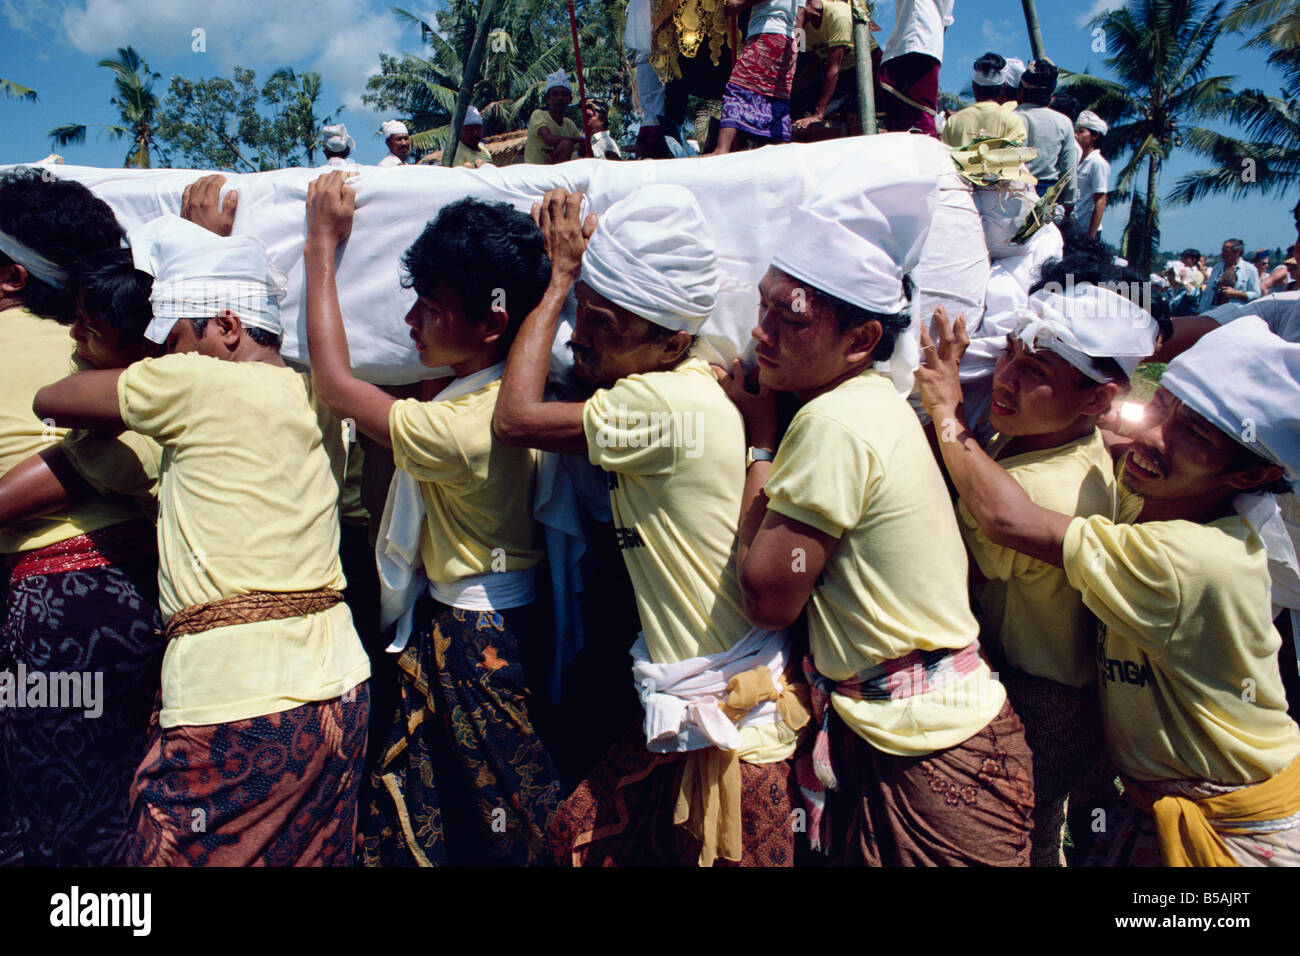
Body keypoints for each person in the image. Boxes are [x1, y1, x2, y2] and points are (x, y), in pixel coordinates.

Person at [31, 214, 371, 866]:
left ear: (228, 327)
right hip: (340, 687)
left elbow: (54, 399)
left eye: (173, 339)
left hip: (236, 697)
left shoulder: (192, 382)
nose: (163, 355)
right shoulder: (311, 396)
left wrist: (135, 359)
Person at [723, 165, 1034, 866]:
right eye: (764, 307)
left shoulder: (833, 424)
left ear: (861, 340)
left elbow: (769, 596)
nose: (761, 333)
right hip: (925, 729)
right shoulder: (876, 405)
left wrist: (759, 441)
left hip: (927, 749)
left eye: (790, 318)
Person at [493, 186, 808, 867]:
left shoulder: (658, 404)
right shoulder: (691, 381)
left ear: (671, 339)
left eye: (604, 324)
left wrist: (558, 283)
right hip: (703, 704)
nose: (581, 335)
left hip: (729, 731)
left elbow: (514, 418)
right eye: (582, 316)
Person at [917, 313, 1300, 866]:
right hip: (1159, 799)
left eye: (1193, 434)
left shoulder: (1189, 560)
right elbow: (1113, 436)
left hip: (1234, 829)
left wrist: (947, 410)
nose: (1150, 435)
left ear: (1248, 476)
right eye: (1162, 407)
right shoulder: (1179, 510)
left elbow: (1009, 520)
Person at [302, 171, 562, 866]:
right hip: (493, 624)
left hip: (477, 642)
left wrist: (321, 245)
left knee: (505, 818)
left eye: (432, 306)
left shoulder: (459, 430)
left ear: (493, 322)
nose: (411, 321)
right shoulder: (513, 390)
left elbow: (333, 382)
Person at [947, 284, 1159, 866]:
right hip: (1064, 692)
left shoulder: (1045, 485)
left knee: (1011, 833)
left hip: (1038, 700)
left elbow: (965, 541)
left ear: (1098, 400)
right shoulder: (1068, 445)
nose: (1006, 377)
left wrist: (944, 416)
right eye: (1010, 353)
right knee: (1035, 831)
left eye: (1035, 368)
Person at [0, 169, 163, 867]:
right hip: (144, 594)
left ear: (10, 276)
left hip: (46, 604)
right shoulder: (123, 351)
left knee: (44, 824)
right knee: (120, 805)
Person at [712, 0, 806, 154]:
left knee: (737, 87)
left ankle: (721, 149)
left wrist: (739, 4)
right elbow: (801, 14)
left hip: (766, 32)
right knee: (776, 97)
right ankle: (782, 149)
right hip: (787, 40)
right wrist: (796, 51)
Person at [876, 0, 953, 137]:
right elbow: (946, 20)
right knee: (901, 116)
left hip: (917, 42)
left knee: (918, 118)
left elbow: (946, 19)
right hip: (917, 43)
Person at [791, 0, 860, 132]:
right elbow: (812, 70)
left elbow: (833, 70)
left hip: (862, 72)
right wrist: (787, 91)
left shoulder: (839, 16)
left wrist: (818, 114)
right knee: (804, 114)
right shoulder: (803, 30)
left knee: (854, 119)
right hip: (839, 77)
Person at [1017, 59, 1077, 207]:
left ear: (1021, 90)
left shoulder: (1010, 117)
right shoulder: (1063, 122)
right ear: (1050, 94)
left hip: (1014, 192)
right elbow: (1068, 170)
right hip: (1047, 197)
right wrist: (1069, 203)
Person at [941, 51, 1027, 148]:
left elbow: (944, 158)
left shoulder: (953, 122)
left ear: (974, 86)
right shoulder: (1013, 121)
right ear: (1003, 87)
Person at [525, 71, 585, 165]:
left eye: (564, 95)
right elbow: (549, 139)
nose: (560, 98)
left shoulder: (570, 125)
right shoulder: (538, 115)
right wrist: (580, 140)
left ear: (570, 100)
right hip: (536, 174)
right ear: (547, 99)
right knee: (566, 144)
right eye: (555, 94)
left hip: (556, 175)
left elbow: (582, 147)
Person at [1072, 110, 1110, 240]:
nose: (1076, 135)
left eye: (1081, 131)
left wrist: (1091, 237)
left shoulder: (1097, 163)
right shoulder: (1077, 161)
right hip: (1073, 227)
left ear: (1095, 136)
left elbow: (1100, 202)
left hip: (1086, 231)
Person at [1199, 238, 1262, 312]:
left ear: (1237, 252)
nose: (1222, 254)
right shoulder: (1217, 268)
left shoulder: (1249, 269)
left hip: (1236, 313)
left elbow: (1256, 294)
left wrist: (1236, 293)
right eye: (1222, 251)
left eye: (1226, 251)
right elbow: (1208, 293)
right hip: (1213, 311)